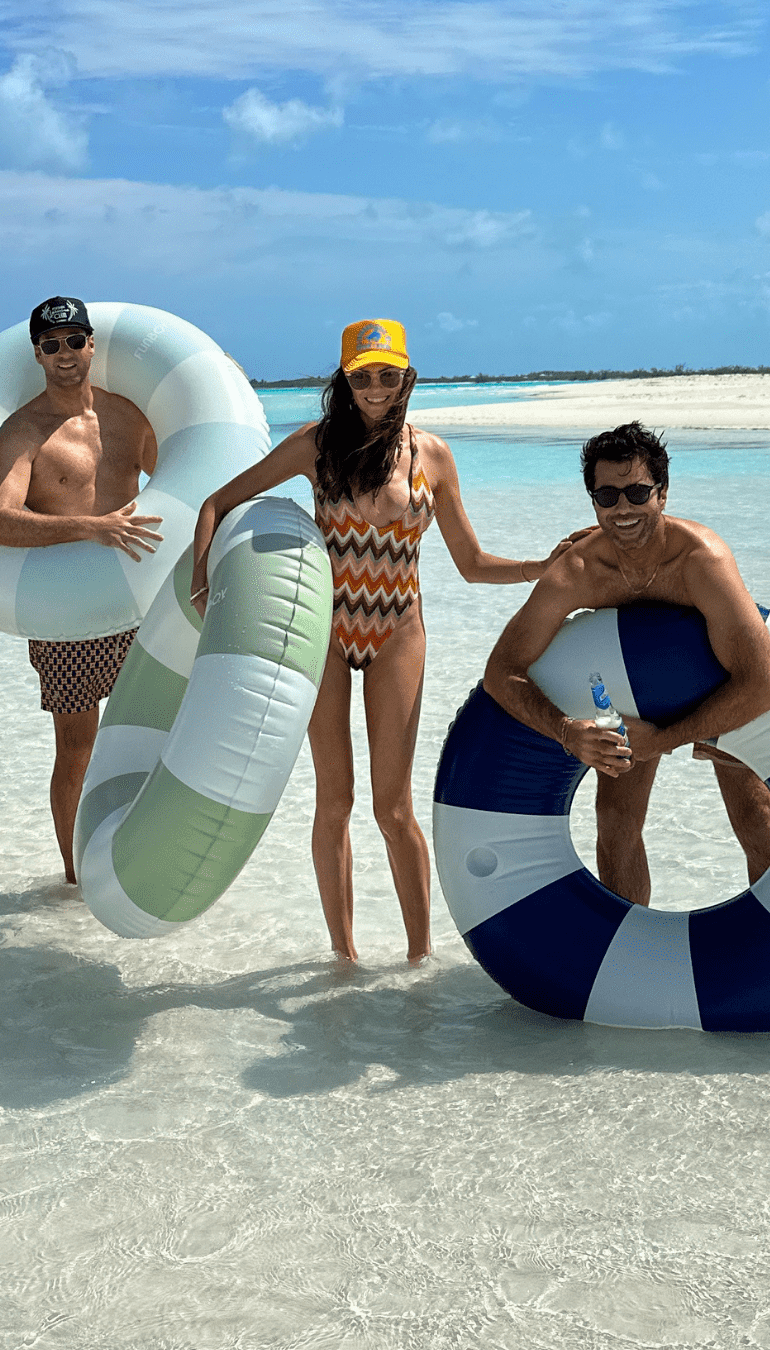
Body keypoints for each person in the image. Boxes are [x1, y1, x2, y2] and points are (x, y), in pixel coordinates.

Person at [191, 317, 566, 966]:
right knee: (334, 802)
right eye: (362, 376)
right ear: (345, 379)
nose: (375, 388)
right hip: (324, 635)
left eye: (387, 375)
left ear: (406, 377)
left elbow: (472, 564)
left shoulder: (434, 457)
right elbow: (216, 504)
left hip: (397, 633)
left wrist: (543, 568)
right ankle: (344, 959)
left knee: (394, 810)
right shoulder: (313, 447)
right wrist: (204, 586)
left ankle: (420, 962)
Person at [484, 419, 770, 899]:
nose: (623, 509)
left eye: (638, 493)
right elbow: (502, 670)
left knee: (753, 818)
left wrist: (667, 738)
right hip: (632, 690)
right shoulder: (579, 571)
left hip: (716, 682)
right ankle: (633, 953)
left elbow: (761, 685)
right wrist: (566, 730)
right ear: (593, 502)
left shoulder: (701, 561)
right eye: (608, 497)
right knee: (615, 824)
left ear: (662, 494)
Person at [0, 296, 160, 883]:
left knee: (151, 732)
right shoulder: (24, 430)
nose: (64, 355)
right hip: (65, 609)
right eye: (51, 345)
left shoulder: (127, 418)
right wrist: (92, 526)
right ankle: (76, 876)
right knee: (77, 744)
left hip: (136, 598)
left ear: (91, 345)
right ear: (37, 353)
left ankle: (140, 856)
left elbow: (189, 484)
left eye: (74, 341)